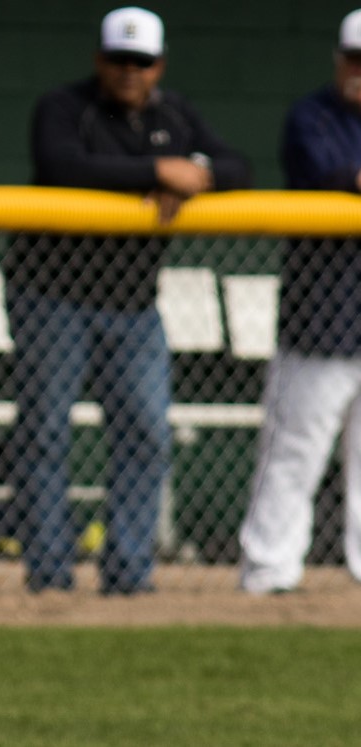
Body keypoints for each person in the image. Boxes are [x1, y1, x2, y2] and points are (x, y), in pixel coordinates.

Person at [2, 6, 252, 594]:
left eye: (141, 62)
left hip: (134, 304)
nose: (129, 72)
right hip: (53, 296)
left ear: (158, 65)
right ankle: (49, 575)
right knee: (45, 433)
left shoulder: (175, 114)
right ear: (99, 60)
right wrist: (157, 172)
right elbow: (63, 164)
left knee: (145, 434)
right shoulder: (65, 106)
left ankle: (129, 573)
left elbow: (239, 166)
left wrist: (196, 174)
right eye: (119, 59)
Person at [239, 9, 361, 595]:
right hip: (323, 321)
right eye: (354, 60)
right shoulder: (312, 116)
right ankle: (269, 571)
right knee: (294, 450)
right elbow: (332, 174)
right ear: (338, 61)